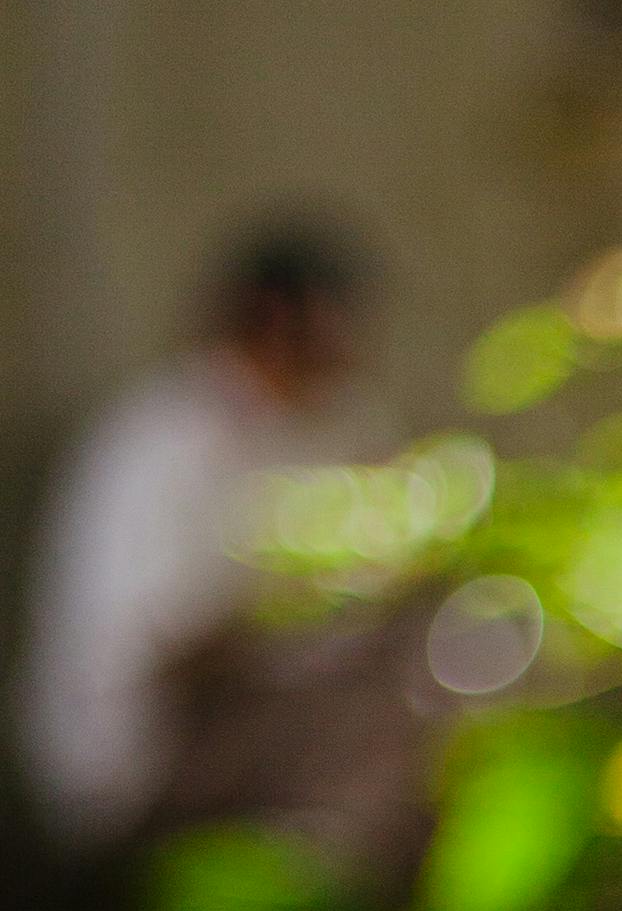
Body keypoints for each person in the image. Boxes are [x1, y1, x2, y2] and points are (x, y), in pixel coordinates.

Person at [13, 214, 388, 857]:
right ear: (273, 320)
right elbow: (161, 648)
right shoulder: (162, 443)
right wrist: (299, 601)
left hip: (272, 720)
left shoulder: (344, 422)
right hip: (141, 757)